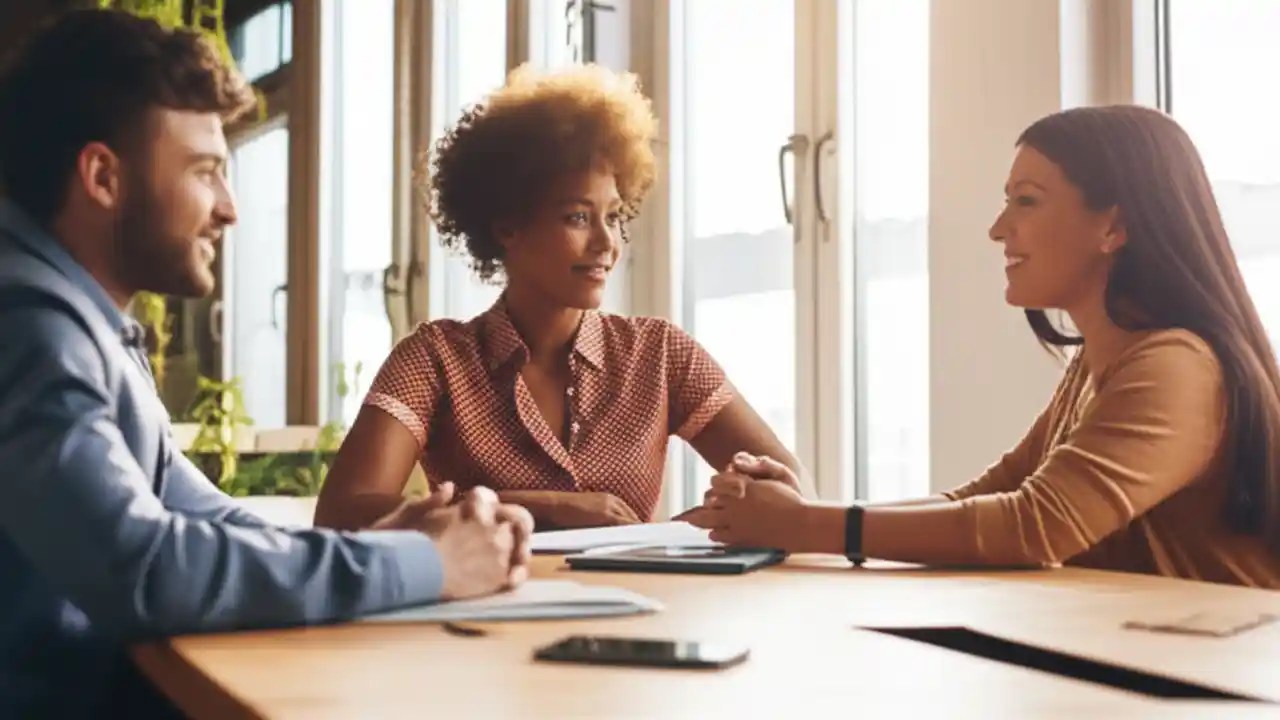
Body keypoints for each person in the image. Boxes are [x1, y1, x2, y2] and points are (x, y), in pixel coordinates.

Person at [0, 10, 532, 717]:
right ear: (102, 176)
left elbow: (203, 517)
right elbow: (145, 567)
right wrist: (430, 565)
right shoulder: (30, 326)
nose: (230, 209)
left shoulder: (79, 322)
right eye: (206, 171)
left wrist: (383, 545)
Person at [688, 105, 1280, 589]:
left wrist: (807, 525)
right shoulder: (1099, 363)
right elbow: (987, 497)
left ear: (1113, 228)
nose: (999, 228)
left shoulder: (1175, 367)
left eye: (1026, 200)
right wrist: (806, 514)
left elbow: (1033, 525)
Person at [313, 64, 810, 533]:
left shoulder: (660, 355)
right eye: (577, 217)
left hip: (639, 614)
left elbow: (791, 489)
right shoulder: (435, 359)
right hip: (483, 615)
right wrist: (541, 506)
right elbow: (343, 512)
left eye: (613, 217)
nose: (606, 243)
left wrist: (669, 535)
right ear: (508, 225)